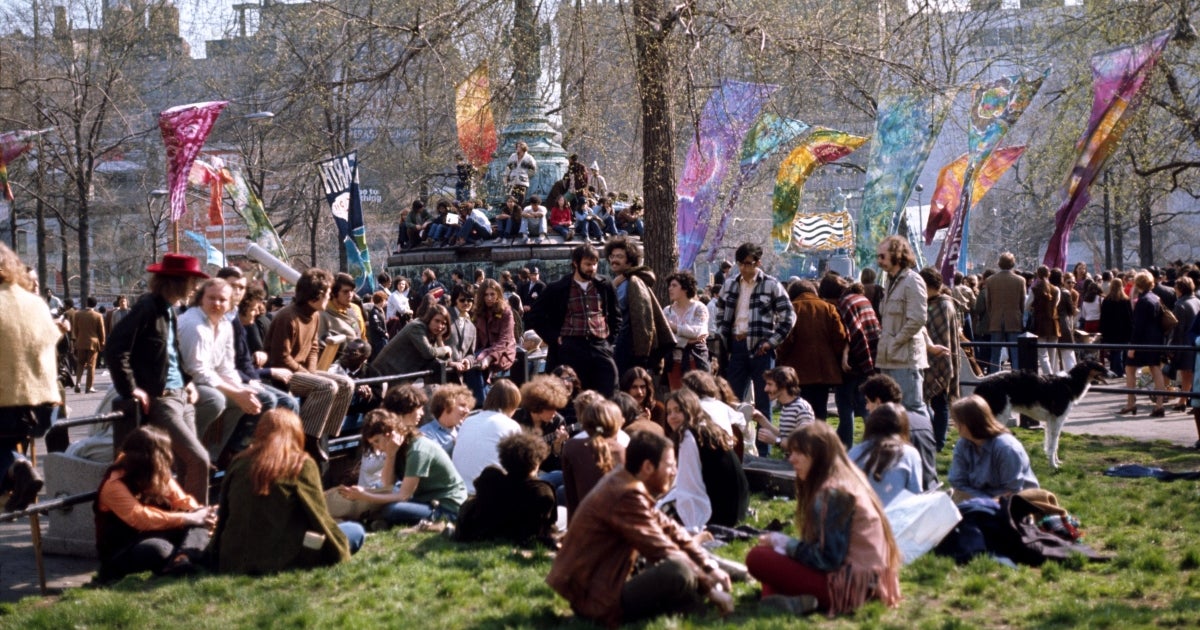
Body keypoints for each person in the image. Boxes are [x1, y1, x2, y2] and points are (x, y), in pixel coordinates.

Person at [546, 431, 734, 625]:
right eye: (670, 465)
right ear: (647, 467)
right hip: (597, 599)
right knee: (679, 570)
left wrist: (709, 566)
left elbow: (671, 530)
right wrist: (708, 586)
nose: (674, 472)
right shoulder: (625, 495)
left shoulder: (624, 481)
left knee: (681, 565)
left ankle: (700, 608)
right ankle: (706, 608)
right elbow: (661, 547)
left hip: (598, 586)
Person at [745, 422, 901, 615]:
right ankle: (786, 600)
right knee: (771, 554)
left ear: (819, 456)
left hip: (850, 587)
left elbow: (828, 559)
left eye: (799, 453)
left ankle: (784, 598)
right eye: (791, 452)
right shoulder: (848, 480)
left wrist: (784, 543)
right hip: (865, 582)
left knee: (758, 557)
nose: (791, 459)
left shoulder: (833, 492)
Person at [106, 253, 211, 503]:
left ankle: (184, 522)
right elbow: (115, 349)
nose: (195, 288)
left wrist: (187, 382)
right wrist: (131, 388)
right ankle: (197, 525)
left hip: (181, 396)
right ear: (176, 282)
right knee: (199, 460)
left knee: (188, 464)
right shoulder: (147, 308)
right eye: (191, 281)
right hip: (163, 399)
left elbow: (172, 353)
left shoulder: (170, 311)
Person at [212, 409, 363, 573]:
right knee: (355, 531)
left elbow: (224, 514)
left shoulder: (239, 462)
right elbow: (319, 516)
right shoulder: (300, 464)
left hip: (233, 559)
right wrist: (339, 550)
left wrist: (214, 553)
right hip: (279, 559)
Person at [94, 426, 216, 581]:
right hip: (124, 548)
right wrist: (190, 519)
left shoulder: (157, 473)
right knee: (157, 549)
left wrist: (202, 513)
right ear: (154, 459)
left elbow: (182, 501)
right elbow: (141, 519)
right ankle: (189, 555)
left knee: (204, 518)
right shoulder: (114, 485)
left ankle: (182, 558)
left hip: (160, 531)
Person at [264, 268, 356, 462]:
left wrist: (312, 371)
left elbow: (313, 346)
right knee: (326, 386)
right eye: (327, 293)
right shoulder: (287, 317)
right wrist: (307, 373)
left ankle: (326, 432)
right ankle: (308, 437)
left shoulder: (314, 315)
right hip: (283, 374)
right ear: (316, 295)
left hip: (302, 371)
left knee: (347, 384)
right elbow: (281, 358)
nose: (330, 296)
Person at [714, 242, 795, 452]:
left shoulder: (771, 284)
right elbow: (720, 310)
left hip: (761, 349)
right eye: (740, 263)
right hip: (737, 346)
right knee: (731, 402)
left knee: (763, 403)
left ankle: (763, 455)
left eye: (748, 263)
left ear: (758, 263)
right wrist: (724, 333)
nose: (744, 268)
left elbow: (789, 317)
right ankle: (734, 450)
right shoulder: (730, 284)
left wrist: (771, 342)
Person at [0, 242, 60, 512]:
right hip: (42, 410)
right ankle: (14, 469)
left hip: (7, 408)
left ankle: (15, 468)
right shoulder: (35, 304)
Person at [177, 278, 263, 461]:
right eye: (211, 298)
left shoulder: (225, 325)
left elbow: (227, 367)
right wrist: (235, 393)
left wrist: (241, 391)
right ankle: (186, 453)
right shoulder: (194, 324)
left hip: (206, 380)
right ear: (201, 299)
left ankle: (212, 455)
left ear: (231, 303)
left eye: (222, 300)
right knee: (214, 399)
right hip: (184, 383)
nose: (217, 303)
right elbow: (196, 370)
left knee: (250, 395)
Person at [338, 408, 467, 526]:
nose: (376, 448)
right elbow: (387, 486)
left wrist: (365, 496)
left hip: (447, 508)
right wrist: (390, 455)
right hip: (426, 500)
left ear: (390, 433)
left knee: (391, 509)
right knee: (383, 496)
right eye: (373, 444)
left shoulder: (417, 450)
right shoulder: (397, 450)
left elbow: (404, 496)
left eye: (377, 441)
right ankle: (379, 520)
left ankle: (380, 520)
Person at [525, 244, 621, 397]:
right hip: (571, 347)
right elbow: (535, 316)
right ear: (576, 264)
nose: (592, 268)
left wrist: (609, 341)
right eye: (588, 264)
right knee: (572, 395)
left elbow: (616, 316)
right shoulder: (557, 288)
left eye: (595, 264)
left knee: (609, 390)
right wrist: (554, 337)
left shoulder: (604, 285)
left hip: (600, 345)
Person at [660, 389, 749, 531]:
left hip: (720, 516)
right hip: (738, 509)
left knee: (659, 512)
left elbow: (689, 487)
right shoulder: (707, 428)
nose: (672, 417)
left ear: (690, 409)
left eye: (678, 410)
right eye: (669, 412)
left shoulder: (688, 435)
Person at [453, 430, 557, 545]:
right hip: (519, 533)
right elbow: (544, 527)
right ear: (536, 461)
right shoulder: (541, 491)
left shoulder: (492, 483)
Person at [822, 273, 880, 449]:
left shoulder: (845, 304)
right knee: (863, 403)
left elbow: (855, 334)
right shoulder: (859, 298)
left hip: (856, 362)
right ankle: (874, 442)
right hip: (871, 354)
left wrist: (848, 356)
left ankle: (846, 445)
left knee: (846, 404)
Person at [776, 279, 846, 421]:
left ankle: (801, 440)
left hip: (797, 372)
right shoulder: (828, 308)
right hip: (823, 371)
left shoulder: (792, 309)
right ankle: (818, 439)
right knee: (820, 411)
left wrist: (780, 359)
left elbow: (785, 340)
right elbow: (840, 337)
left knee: (799, 411)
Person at [875, 235, 929, 417]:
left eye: (882, 256)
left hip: (905, 359)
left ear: (897, 255)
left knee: (913, 410)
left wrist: (896, 342)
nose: (879, 261)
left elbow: (918, 319)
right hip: (889, 357)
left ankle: (923, 445)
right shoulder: (890, 281)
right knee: (893, 412)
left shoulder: (912, 281)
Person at [604, 236, 675, 376]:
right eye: (611, 256)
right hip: (621, 346)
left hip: (628, 348)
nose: (614, 260)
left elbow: (642, 320)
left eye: (619, 256)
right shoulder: (620, 282)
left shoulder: (633, 283)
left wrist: (643, 353)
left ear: (630, 261)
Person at [948, 395, 1039, 502]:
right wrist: (980, 501)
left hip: (1016, 502)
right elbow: (958, 483)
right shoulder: (963, 444)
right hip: (981, 499)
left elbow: (1013, 490)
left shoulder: (1006, 448)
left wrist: (984, 503)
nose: (954, 425)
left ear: (971, 423)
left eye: (957, 421)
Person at [860, 373, 938, 489]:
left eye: (867, 401)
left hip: (904, 494)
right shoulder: (923, 421)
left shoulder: (883, 429)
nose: (866, 407)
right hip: (931, 488)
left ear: (878, 401)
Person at [451, 380, 523, 495]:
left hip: (460, 491)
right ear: (512, 404)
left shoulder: (468, 421)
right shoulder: (512, 426)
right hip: (489, 495)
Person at [562, 397, 626, 521]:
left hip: (584, 524)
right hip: (618, 526)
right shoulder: (623, 448)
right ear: (617, 423)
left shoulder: (571, 447)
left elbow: (571, 497)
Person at [848, 403, 923, 506]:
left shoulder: (855, 452)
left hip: (863, 517)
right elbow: (916, 495)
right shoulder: (910, 454)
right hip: (898, 518)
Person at [920, 267, 961, 450]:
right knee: (932, 403)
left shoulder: (942, 305)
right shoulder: (941, 302)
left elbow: (944, 336)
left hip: (939, 360)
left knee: (940, 404)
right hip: (929, 358)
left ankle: (939, 441)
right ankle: (933, 438)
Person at [372, 304, 465, 380]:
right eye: (437, 321)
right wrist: (446, 348)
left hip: (397, 377)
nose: (440, 326)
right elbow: (429, 353)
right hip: (382, 374)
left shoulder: (431, 333)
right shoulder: (417, 327)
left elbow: (438, 356)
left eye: (443, 323)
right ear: (429, 318)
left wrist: (439, 338)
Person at [1119, 270, 1167, 417]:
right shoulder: (1155, 298)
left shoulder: (1143, 301)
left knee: (1129, 368)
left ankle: (1131, 402)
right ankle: (1159, 404)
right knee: (1155, 368)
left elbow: (1138, 326)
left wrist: (1132, 347)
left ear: (1138, 284)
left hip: (1143, 340)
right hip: (1156, 338)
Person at [468, 279, 517, 405]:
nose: (489, 298)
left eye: (492, 294)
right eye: (486, 295)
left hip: (503, 352)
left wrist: (488, 358)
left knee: (478, 367)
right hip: (484, 350)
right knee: (471, 365)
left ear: (498, 295)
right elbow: (476, 338)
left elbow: (504, 340)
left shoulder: (506, 312)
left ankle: (482, 404)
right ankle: (482, 403)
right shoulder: (479, 312)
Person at [663, 271, 710, 390]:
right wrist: (686, 340)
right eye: (669, 286)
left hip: (696, 359)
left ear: (685, 288)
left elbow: (697, 331)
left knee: (698, 396)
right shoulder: (667, 311)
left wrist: (673, 327)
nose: (670, 289)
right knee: (678, 398)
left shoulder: (699, 308)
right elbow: (665, 338)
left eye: (674, 285)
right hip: (674, 362)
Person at [752, 367, 815, 450]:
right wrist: (761, 418)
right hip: (789, 460)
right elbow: (783, 435)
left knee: (749, 463)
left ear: (783, 385)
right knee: (745, 459)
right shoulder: (787, 406)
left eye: (770, 384)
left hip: (799, 462)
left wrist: (776, 441)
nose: (765, 389)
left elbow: (803, 444)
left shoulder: (802, 408)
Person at [986, 252, 1027, 372]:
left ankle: (994, 377)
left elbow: (988, 302)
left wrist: (992, 315)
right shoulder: (1020, 280)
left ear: (999, 264)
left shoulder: (990, 280)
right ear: (1013, 264)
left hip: (996, 319)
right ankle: (1016, 378)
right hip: (1014, 319)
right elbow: (1022, 302)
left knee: (995, 354)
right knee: (1015, 353)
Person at [419, 383, 474, 456]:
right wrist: (455, 444)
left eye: (468, 407)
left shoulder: (465, 429)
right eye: (462, 405)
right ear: (446, 405)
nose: (467, 411)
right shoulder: (426, 433)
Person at [1171, 277, 1199, 411]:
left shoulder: (1179, 304)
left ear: (1180, 288)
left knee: (1186, 374)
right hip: (1195, 341)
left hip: (1185, 343)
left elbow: (1178, 328)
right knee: (1192, 373)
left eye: (1176, 287)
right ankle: (1185, 399)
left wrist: (1172, 347)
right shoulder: (1197, 301)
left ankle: (1184, 400)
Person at [320, 272, 366, 345]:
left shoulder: (355, 308)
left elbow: (363, 336)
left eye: (352, 291)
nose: (350, 295)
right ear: (333, 293)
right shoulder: (323, 315)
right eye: (345, 291)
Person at [1099, 277, 1132, 377]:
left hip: (1110, 330)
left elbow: (1103, 317)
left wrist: (1103, 330)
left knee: (1114, 351)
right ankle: (1119, 371)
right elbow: (1129, 317)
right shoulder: (1125, 300)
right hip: (1123, 330)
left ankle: (1115, 370)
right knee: (1120, 351)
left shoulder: (1107, 300)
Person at [72, 296, 106, 394]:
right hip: (93, 343)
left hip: (81, 342)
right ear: (95, 305)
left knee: (80, 363)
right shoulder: (98, 315)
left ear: (86, 303)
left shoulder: (77, 314)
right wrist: (103, 342)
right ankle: (89, 386)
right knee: (91, 365)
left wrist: (78, 339)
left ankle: (78, 383)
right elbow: (101, 331)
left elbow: (75, 329)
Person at [620, 366, 666, 431]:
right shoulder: (619, 410)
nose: (639, 392)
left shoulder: (657, 409)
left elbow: (660, 437)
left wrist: (648, 424)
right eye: (634, 387)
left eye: (642, 387)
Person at [506, 140, 537, 204]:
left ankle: (519, 212)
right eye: (517, 147)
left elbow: (533, 169)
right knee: (511, 199)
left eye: (519, 147)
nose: (517, 148)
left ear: (523, 148)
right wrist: (507, 176)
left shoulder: (529, 158)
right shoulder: (513, 156)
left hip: (522, 182)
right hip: (513, 181)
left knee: (520, 200)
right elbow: (508, 167)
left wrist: (526, 175)